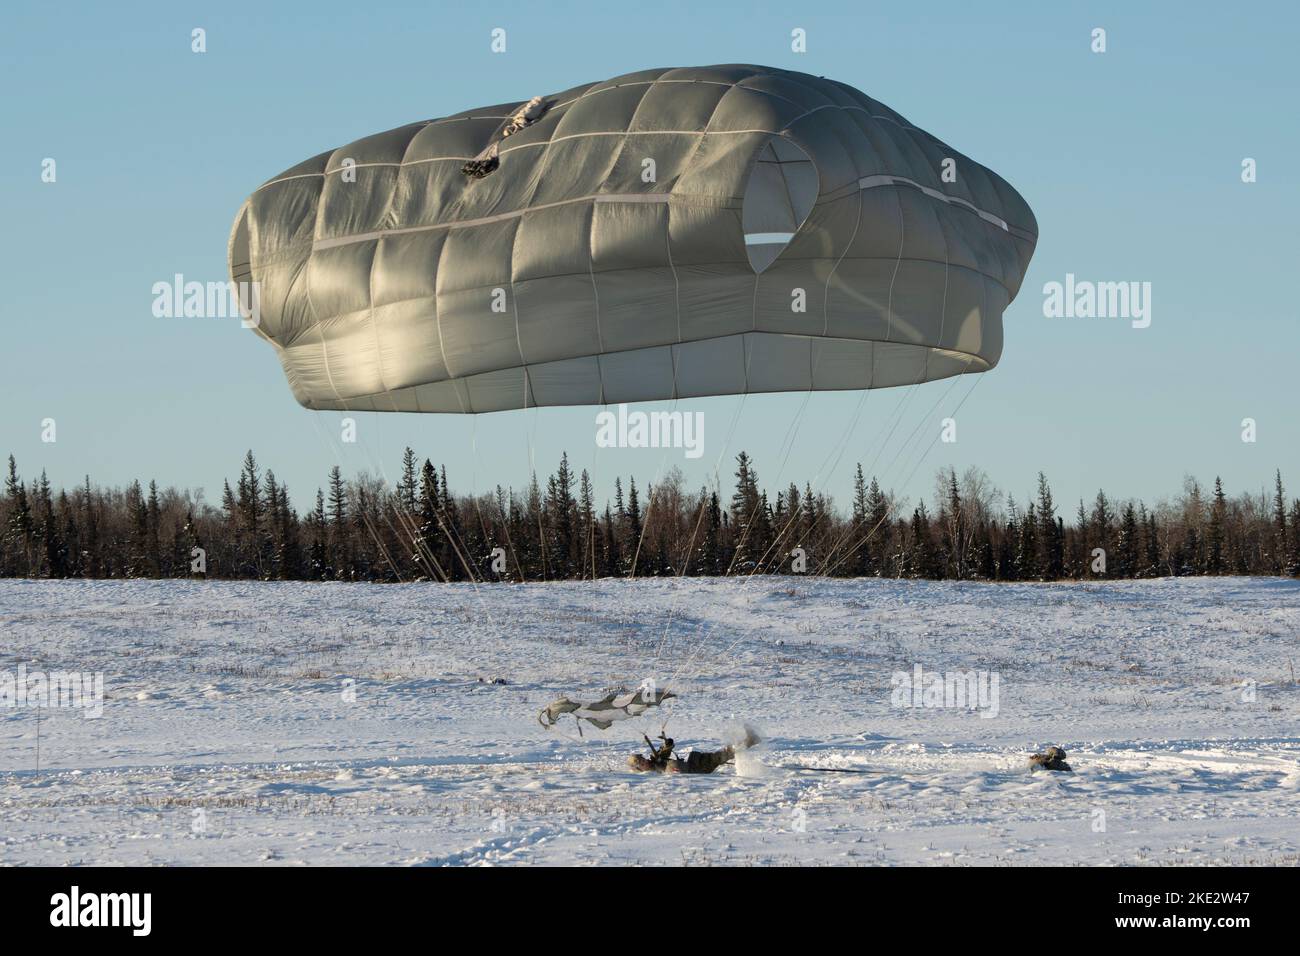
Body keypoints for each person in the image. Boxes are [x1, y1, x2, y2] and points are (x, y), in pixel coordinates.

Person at [627, 729, 757, 774]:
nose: (645, 761)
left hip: (695, 762)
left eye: (643, 759)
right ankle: (750, 740)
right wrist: (660, 765)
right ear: (638, 768)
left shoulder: (655, 759)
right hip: (697, 769)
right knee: (724, 754)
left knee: (724, 753)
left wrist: (667, 745)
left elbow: (665, 752)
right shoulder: (652, 773)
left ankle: (749, 740)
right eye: (641, 762)